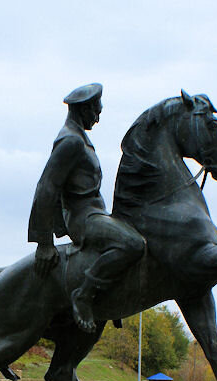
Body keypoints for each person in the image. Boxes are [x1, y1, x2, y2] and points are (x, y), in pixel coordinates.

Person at [29, 82, 145, 332]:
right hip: (84, 219)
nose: (98, 118)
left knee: (137, 234)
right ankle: (84, 295)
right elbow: (46, 188)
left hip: (96, 214)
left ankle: (108, 292)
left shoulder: (80, 138)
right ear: (84, 109)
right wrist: (44, 242)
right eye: (96, 112)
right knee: (132, 244)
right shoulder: (70, 141)